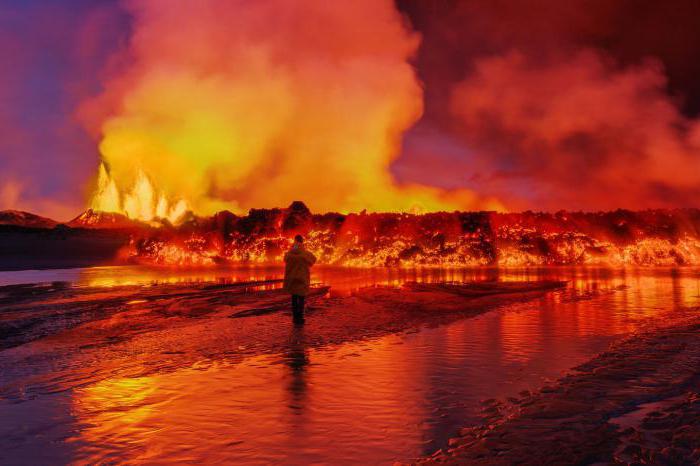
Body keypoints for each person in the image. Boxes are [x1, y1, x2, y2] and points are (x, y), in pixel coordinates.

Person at [283, 234, 317, 324]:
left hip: (292, 278)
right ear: (302, 242)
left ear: (294, 241)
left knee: (294, 298)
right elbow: (314, 259)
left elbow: (285, 259)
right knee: (301, 298)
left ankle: (295, 317)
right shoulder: (306, 254)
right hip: (302, 278)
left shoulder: (288, 254)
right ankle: (300, 317)